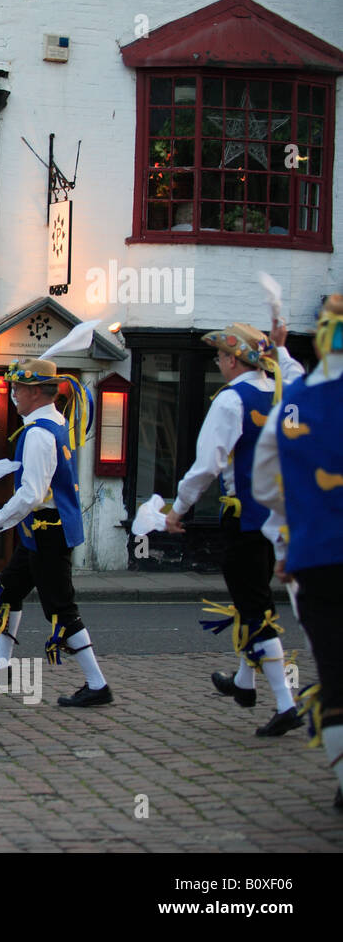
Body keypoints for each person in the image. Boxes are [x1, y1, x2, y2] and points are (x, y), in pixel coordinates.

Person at [165, 320, 304, 736]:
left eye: (220, 356)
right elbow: (297, 377)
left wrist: (179, 508)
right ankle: (245, 682)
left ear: (230, 359)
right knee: (255, 600)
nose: (219, 363)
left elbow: (208, 464)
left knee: (254, 606)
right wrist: (282, 352)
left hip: (244, 518)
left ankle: (285, 702)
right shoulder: (285, 392)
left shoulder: (231, 400)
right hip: (282, 516)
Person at [0, 358, 112, 707]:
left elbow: (31, 494)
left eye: (17, 388)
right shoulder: (53, 422)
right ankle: (0, 662)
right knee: (8, 589)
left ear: (33, 391)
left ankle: (97, 683)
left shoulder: (39, 433)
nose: (13, 394)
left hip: (48, 531)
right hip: (42, 529)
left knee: (61, 608)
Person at [253, 294, 343, 805]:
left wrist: (292, 530)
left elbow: (266, 483)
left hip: (319, 557)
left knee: (335, 674)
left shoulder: (296, 401)